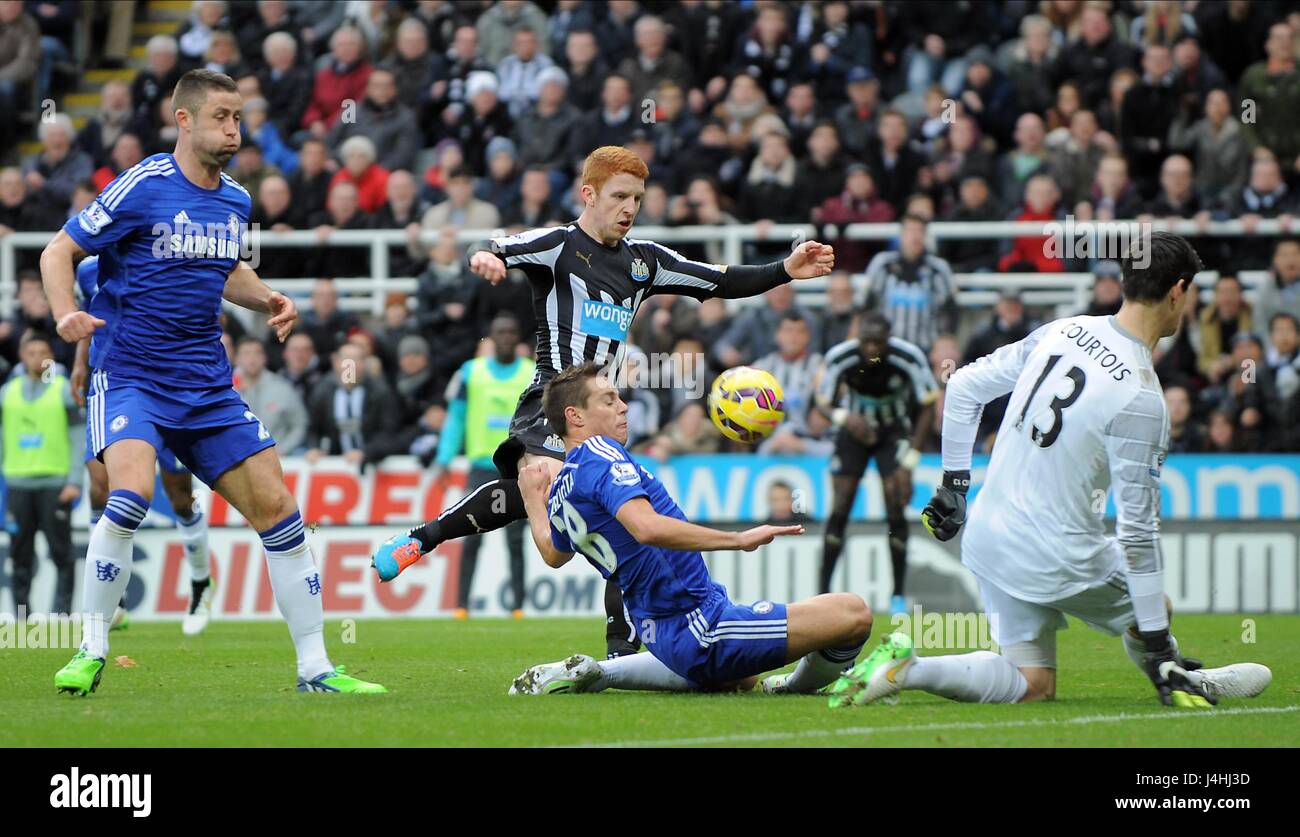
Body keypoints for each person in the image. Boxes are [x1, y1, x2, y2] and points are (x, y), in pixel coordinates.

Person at [370, 145, 835, 660]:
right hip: (553, 397)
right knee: (546, 479)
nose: (629, 208)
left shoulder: (646, 262)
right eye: (619, 196)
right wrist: (486, 256)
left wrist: (785, 269)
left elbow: (719, 280)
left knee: (613, 516)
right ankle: (423, 539)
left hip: (602, 411)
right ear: (588, 195)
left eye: (636, 198)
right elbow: (498, 243)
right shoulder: (558, 245)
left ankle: (620, 649)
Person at [41, 69, 384, 695]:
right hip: (132, 378)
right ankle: (90, 648)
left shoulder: (235, 200)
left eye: (239, 117)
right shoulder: (145, 183)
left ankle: (316, 669)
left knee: (280, 510)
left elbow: (225, 272)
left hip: (206, 386)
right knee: (131, 495)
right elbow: (57, 251)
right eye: (224, 117)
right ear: (185, 120)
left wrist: (271, 297)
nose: (235, 129)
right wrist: (66, 312)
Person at [830, 232, 1271, 709]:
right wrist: (1159, 639)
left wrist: (955, 486)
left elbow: (960, 389)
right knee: (1153, 609)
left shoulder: (1063, 331)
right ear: (1178, 290)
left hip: (988, 535)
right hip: (1057, 556)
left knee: (1033, 683)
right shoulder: (1143, 398)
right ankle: (1176, 672)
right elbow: (1139, 535)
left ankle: (909, 668)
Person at [507, 362, 872, 696]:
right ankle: (789, 688)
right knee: (854, 614)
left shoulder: (563, 489)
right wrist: (737, 539)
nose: (623, 406)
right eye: (608, 400)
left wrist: (532, 500)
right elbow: (646, 528)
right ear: (576, 416)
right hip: (698, 625)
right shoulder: (601, 452)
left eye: (619, 397)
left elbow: (553, 553)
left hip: (659, 630)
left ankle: (602, 672)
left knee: (740, 677)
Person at [71, 256, 214, 635]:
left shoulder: (161, 255)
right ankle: (111, 602)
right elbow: (90, 317)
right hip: (115, 388)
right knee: (103, 490)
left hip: (169, 386)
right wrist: (79, 365)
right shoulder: (87, 269)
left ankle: (200, 583)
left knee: (182, 500)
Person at [814, 313, 937, 614]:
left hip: (892, 431)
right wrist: (845, 418)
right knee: (841, 505)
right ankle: (821, 595)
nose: (872, 349)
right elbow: (822, 400)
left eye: (878, 343)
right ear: (858, 339)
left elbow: (928, 405)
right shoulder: (840, 357)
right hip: (853, 431)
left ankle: (897, 596)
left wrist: (909, 462)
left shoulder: (908, 357)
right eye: (866, 342)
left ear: (888, 339)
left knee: (895, 504)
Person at [435, 314, 533, 620]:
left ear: (518, 338)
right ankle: (462, 605)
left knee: (516, 539)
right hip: (480, 464)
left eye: (511, 332)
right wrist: (444, 458)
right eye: (500, 332)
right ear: (490, 338)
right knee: (471, 535)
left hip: (518, 466)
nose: (506, 337)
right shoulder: (471, 372)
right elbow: (456, 417)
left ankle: (517, 607)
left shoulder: (532, 373)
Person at [1, 331, 82, 616]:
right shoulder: (7, 393)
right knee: (20, 555)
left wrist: (74, 479)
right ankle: (22, 617)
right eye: (31, 353)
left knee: (61, 553)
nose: (37, 358)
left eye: (43, 353)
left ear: (51, 357)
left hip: (55, 482)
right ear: (22, 356)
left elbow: (77, 435)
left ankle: (61, 615)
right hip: (18, 483)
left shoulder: (62, 389)